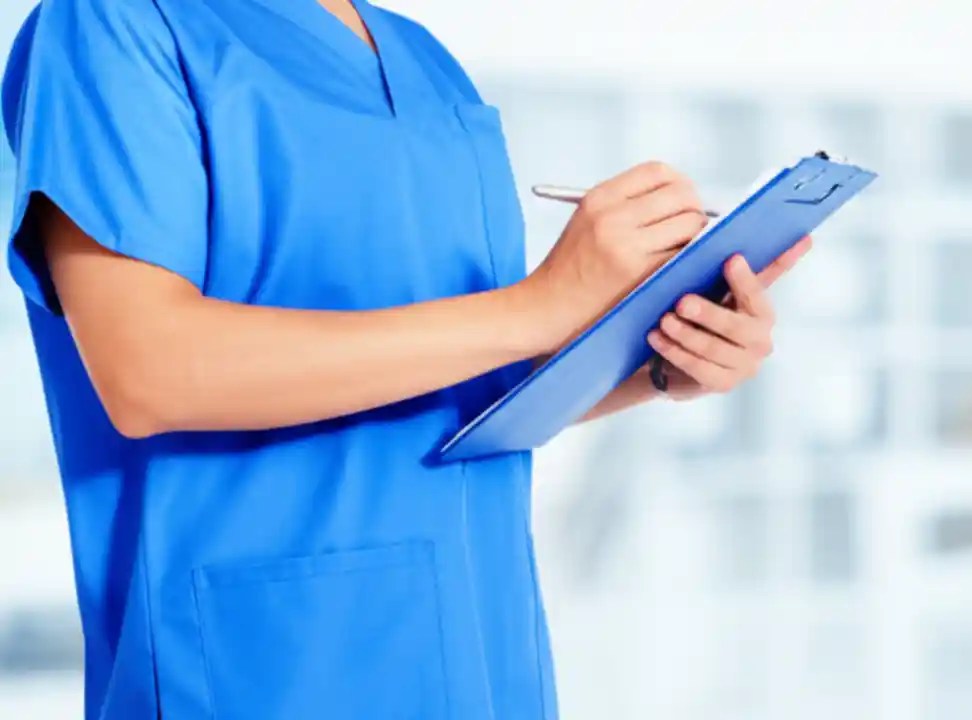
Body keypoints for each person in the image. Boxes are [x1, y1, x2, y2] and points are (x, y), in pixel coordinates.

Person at [1, 0, 812, 718]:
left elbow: (468, 375)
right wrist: (542, 305)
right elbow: (151, 372)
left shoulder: (427, 62)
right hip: (268, 666)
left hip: (484, 650)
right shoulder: (115, 24)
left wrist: (662, 363)